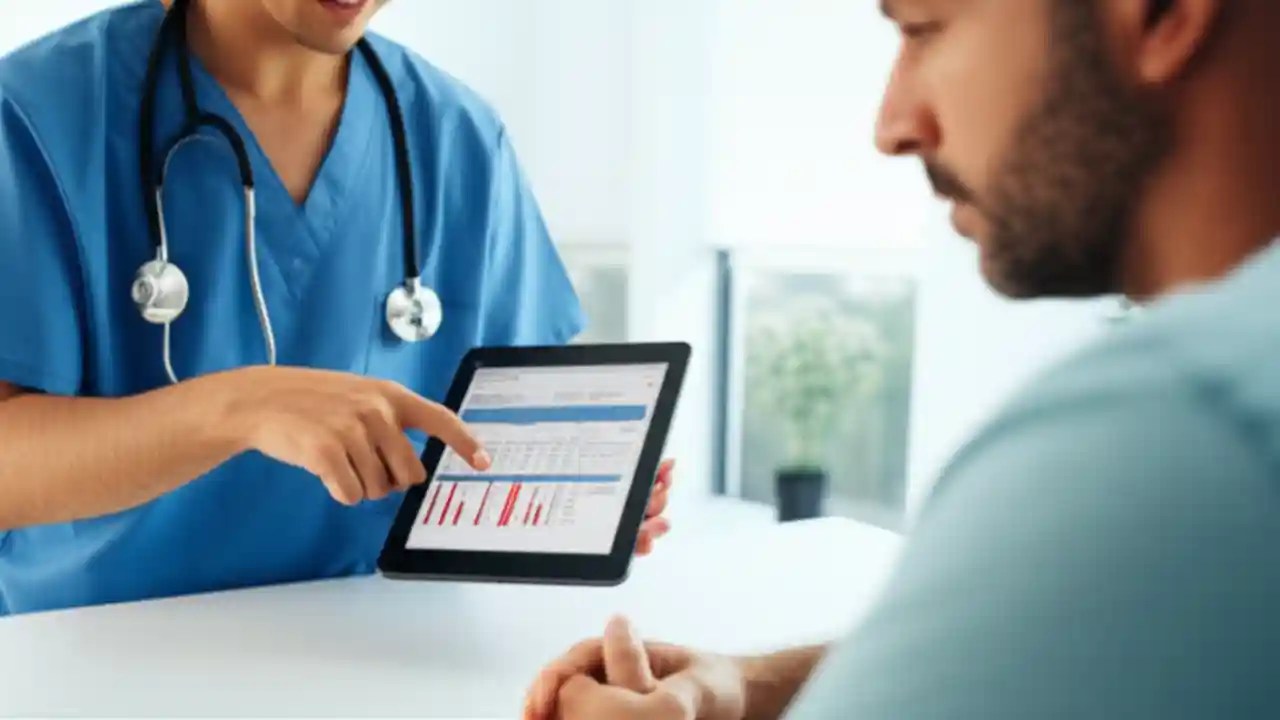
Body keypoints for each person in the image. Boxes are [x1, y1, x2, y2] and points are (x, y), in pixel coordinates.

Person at [525, 0, 1280, 717]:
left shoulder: (1199, 433)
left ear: (1157, 12)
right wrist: (744, 687)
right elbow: (1075, 638)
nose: (891, 126)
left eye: (924, 28)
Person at [0, 0, 675, 616]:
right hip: (91, 654)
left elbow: (495, 442)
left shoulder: (458, 137)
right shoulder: (36, 115)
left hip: (381, 647)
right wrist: (239, 408)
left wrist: (578, 496)